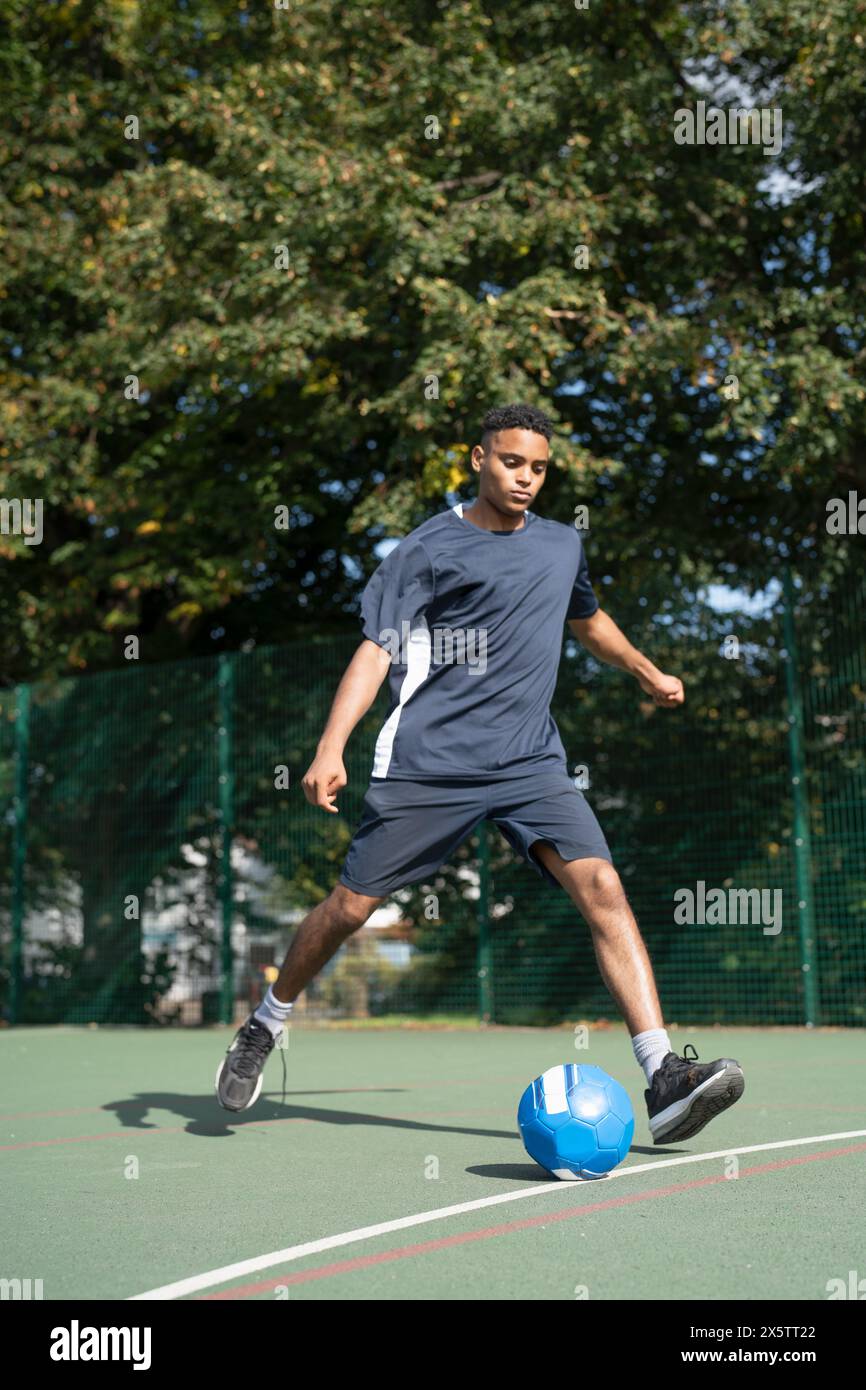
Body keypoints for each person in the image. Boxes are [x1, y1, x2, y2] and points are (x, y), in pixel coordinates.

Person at [215, 402, 744, 1144]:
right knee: (351, 909)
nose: (525, 478)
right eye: (510, 462)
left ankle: (663, 1078)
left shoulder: (562, 546)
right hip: (430, 764)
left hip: (530, 761)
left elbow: (586, 618)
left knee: (602, 886)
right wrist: (331, 745)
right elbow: (375, 652)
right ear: (477, 458)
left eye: (537, 467)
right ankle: (266, 1024)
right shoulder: (426, 549)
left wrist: (645, 670)